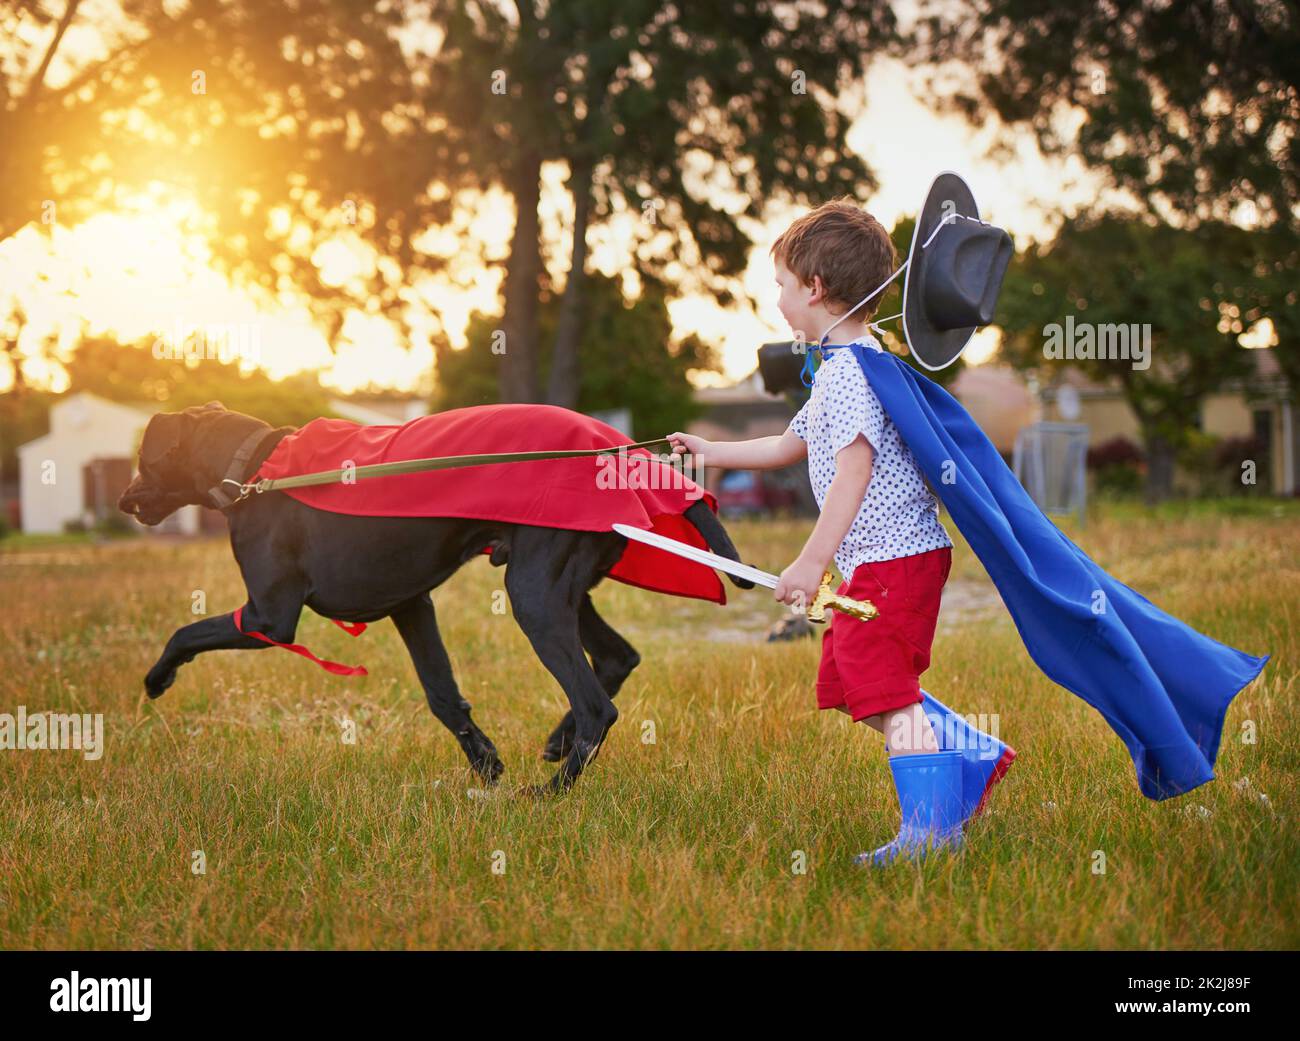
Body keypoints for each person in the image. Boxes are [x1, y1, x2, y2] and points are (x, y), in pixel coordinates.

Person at [668, 199, 1014, 866]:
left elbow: (855, 471)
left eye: (781, 285)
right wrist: (708, 450)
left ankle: (931, 833)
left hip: (894, 561)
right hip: (884, 562)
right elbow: (787, 444)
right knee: (860, 681)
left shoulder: (852, 372)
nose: (778, 299)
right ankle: (969, 757)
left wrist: (810, 562)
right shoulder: (842, 366)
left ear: (815, 287)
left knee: (885, 688)